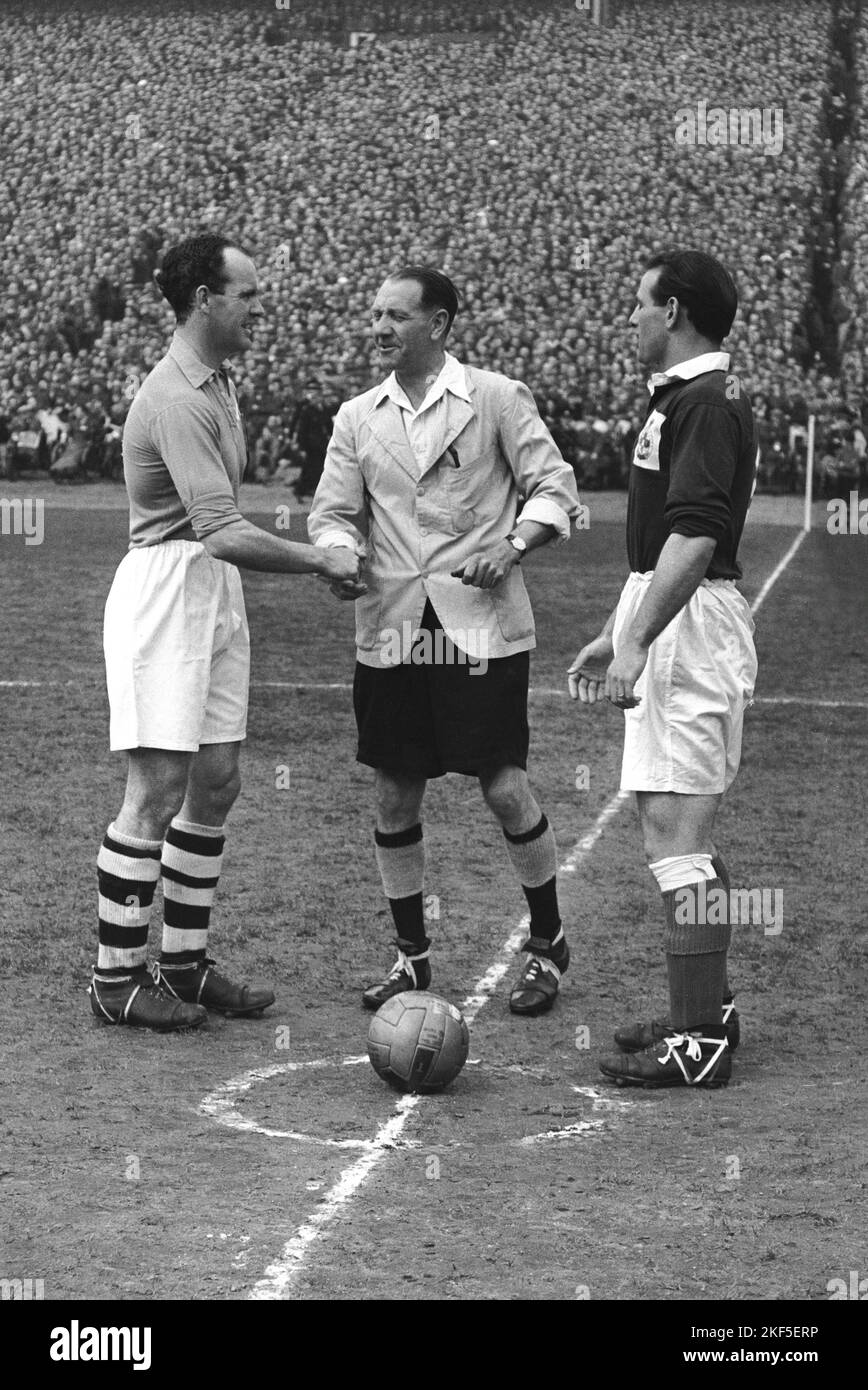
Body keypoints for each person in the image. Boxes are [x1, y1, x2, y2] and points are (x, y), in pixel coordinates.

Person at [91, 232, 359, 1032]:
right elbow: (217, 528)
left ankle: (182, 962)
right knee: (156, 789)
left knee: (217, 780)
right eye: (246, 294)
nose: (257, 306)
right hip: (169, 586)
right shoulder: (176, 395)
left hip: (209, 589)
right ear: (204, 300)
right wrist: (321, 559)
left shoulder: (217, 381)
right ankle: (115, 980)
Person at [308, 265, 581, 1016]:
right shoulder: (357, 415)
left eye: (396, 314)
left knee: (502, 784)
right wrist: (336, 549)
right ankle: (412, 957)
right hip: (393, 624)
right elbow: (333, 510)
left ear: (441, 323)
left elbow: (556, 488)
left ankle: (548, 943)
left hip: (479, 623)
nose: (380, 326)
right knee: (396, 790)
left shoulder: (495, 397)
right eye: (375, 313)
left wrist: (516, 545)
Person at [568, 248, 758, 1089]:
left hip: (692, 623)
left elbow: (697, 536)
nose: (631, 318)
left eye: (639, 304)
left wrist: (642, 636)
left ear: (674, 309)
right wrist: (621, 631)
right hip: (670, 613)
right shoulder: (686, 399)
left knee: (676, 833)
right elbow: (660, 547)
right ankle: (703, 1013)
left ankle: (700, 1043)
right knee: (666, 822)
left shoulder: (707, 405)